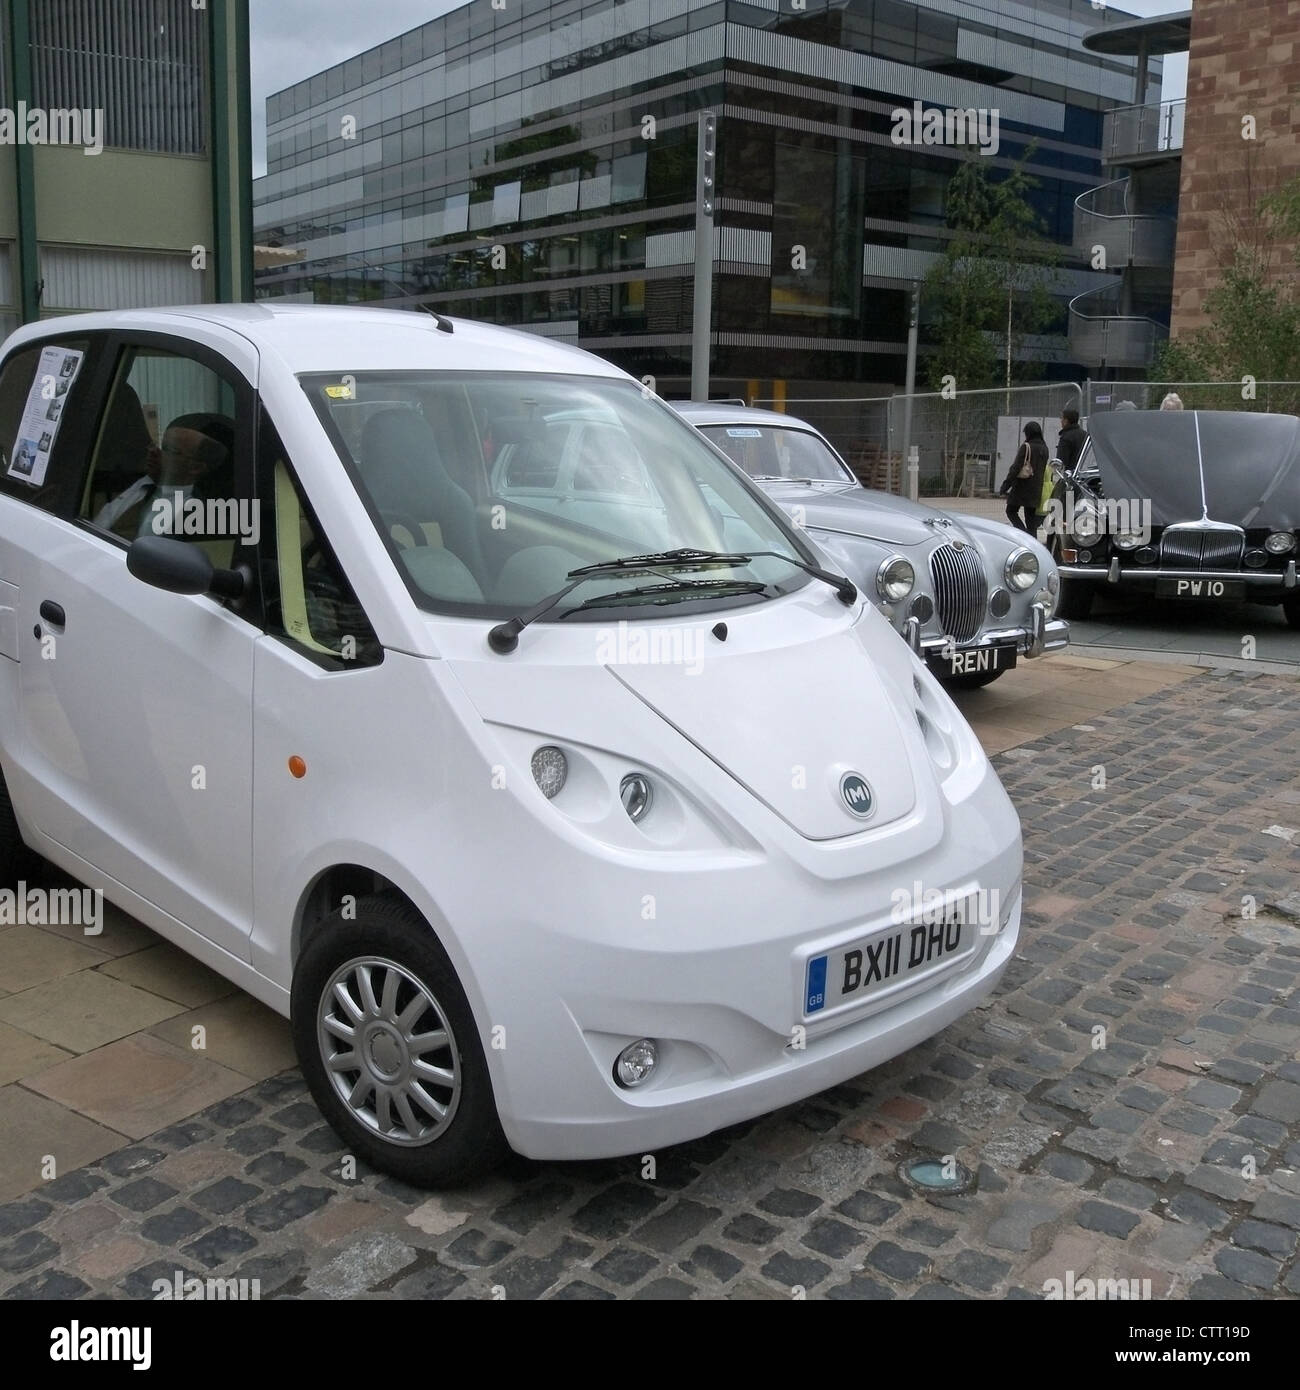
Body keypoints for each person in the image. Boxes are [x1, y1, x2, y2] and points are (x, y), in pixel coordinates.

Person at [95, 412, 231, 540]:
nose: (153, 451)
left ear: (195, 467)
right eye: (157, 443)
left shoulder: (196, 518)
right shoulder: (144, 483)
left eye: (167, 449)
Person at [999, 420, 1048, 535]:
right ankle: (1032, 542)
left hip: (1022, 487)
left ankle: (1024, 535)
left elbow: (1016, 468)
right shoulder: (1045, 448)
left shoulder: (1026, 447)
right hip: (1036, 488)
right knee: (1031, 519)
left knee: (1011, 511)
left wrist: (1005, 486)